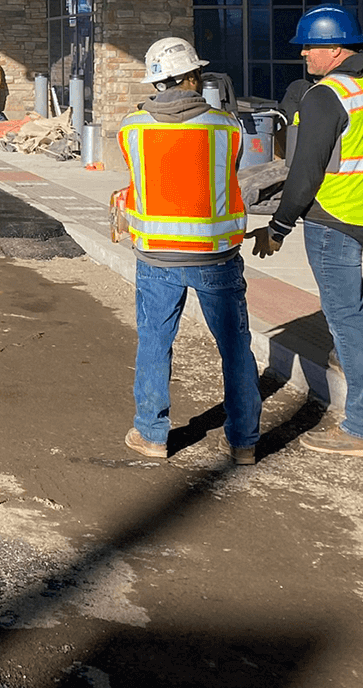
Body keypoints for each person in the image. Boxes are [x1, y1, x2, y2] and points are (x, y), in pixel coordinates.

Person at [256, 5, 363, 459]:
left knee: (345, 318)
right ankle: (352, 363)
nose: (304, 55)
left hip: (333, 216)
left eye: (310, 46)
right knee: (350, 312)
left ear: (336, 49)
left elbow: (305, 172)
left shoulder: (326, 96)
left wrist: (279, 226)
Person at [116, 36, 260, 465]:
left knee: (155, 342)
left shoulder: (132, 127)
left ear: (157, 82)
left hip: (158, 256)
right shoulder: (227, 127)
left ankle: (152, 434)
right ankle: (243, 441)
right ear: (195, 77)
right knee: (234, 347)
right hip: (216, 257)